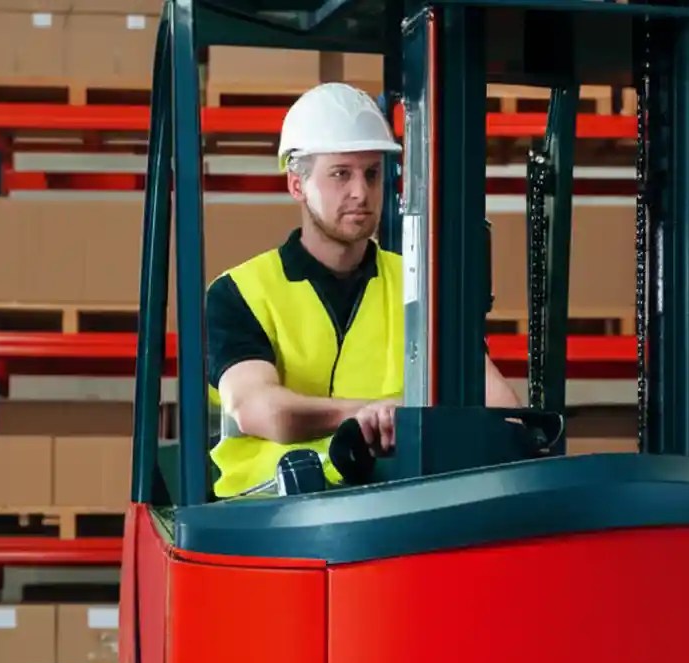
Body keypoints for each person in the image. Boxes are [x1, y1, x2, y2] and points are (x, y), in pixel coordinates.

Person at [205, 83, 520, 498]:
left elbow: (500, 407)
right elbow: (262, 410)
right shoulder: (239, 293)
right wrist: (373, 416)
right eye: (341, 174)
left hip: (392, 508)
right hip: (269, 521)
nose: (361, 192)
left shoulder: (420, 285)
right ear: (297, 185)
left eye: (372, 174)